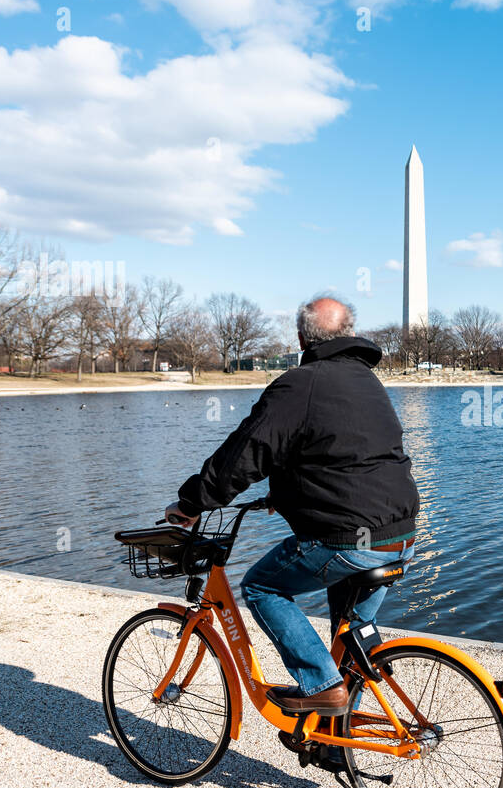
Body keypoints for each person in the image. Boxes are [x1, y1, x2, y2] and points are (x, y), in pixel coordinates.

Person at [165, 295, 419, 718]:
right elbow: (343, 457)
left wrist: (193, 501)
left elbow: (245, 454)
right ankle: (336, 744)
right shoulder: (368, 382)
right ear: (350, 333)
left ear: (301, 337)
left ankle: (321, 685)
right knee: (350, 640)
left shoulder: (300, 383)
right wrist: (280, 497)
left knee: (263, 586)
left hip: (346, 540)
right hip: (401, 534)